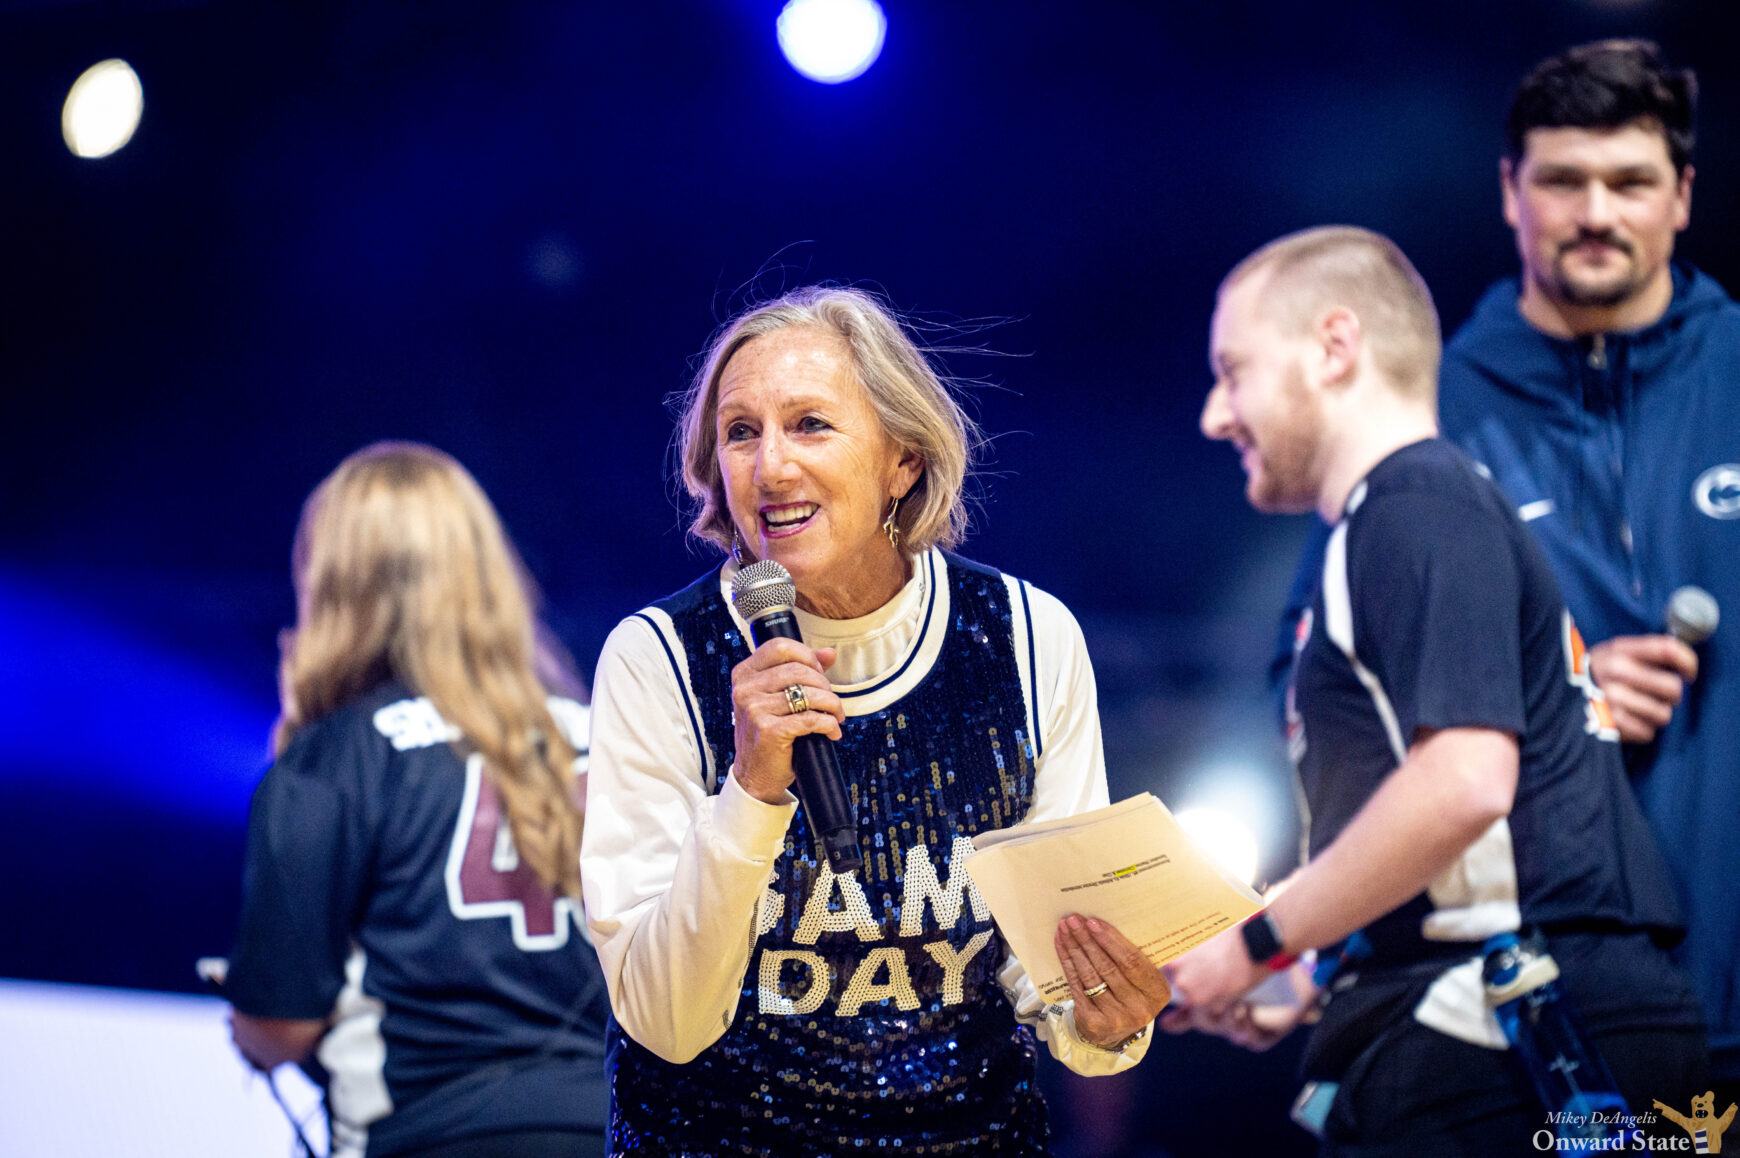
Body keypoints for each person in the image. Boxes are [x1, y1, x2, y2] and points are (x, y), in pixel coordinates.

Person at [580, 285, 1171, 1156]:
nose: (770, 467)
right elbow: (666, 1021)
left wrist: (1106, 1021)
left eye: (810, 425)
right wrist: (750, 792)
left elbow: (1055, 977)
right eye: (740, 432)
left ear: (903, 461)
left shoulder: (1025, 636)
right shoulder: (658, 657)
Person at [1168, 227, 1706, 1154]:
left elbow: (1463, 783)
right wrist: (1315, 970)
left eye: (1233, 371)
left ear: (1334, 346)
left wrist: (1259, 942)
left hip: (1524, 1046)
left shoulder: (1416, 504)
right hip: (1502, 1027)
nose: (1216, 415)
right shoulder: (1398, 517)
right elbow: (1461, 846)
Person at [1275, 40, 1740, 1100]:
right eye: (1563, 181)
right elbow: (1308, 681)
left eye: (1630, 182)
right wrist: (1552, 689)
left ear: (1682, 195)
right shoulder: (1428, 411)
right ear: (1508, 191)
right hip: (1533, 1023)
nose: (1596, 214)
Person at [225, 442, 610, 1158]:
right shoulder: (602, 737)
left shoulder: (333, 758)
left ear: (333, 586)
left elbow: (279, 1029)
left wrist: (249, 1013)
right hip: (610, 1131)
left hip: (426, 1133)